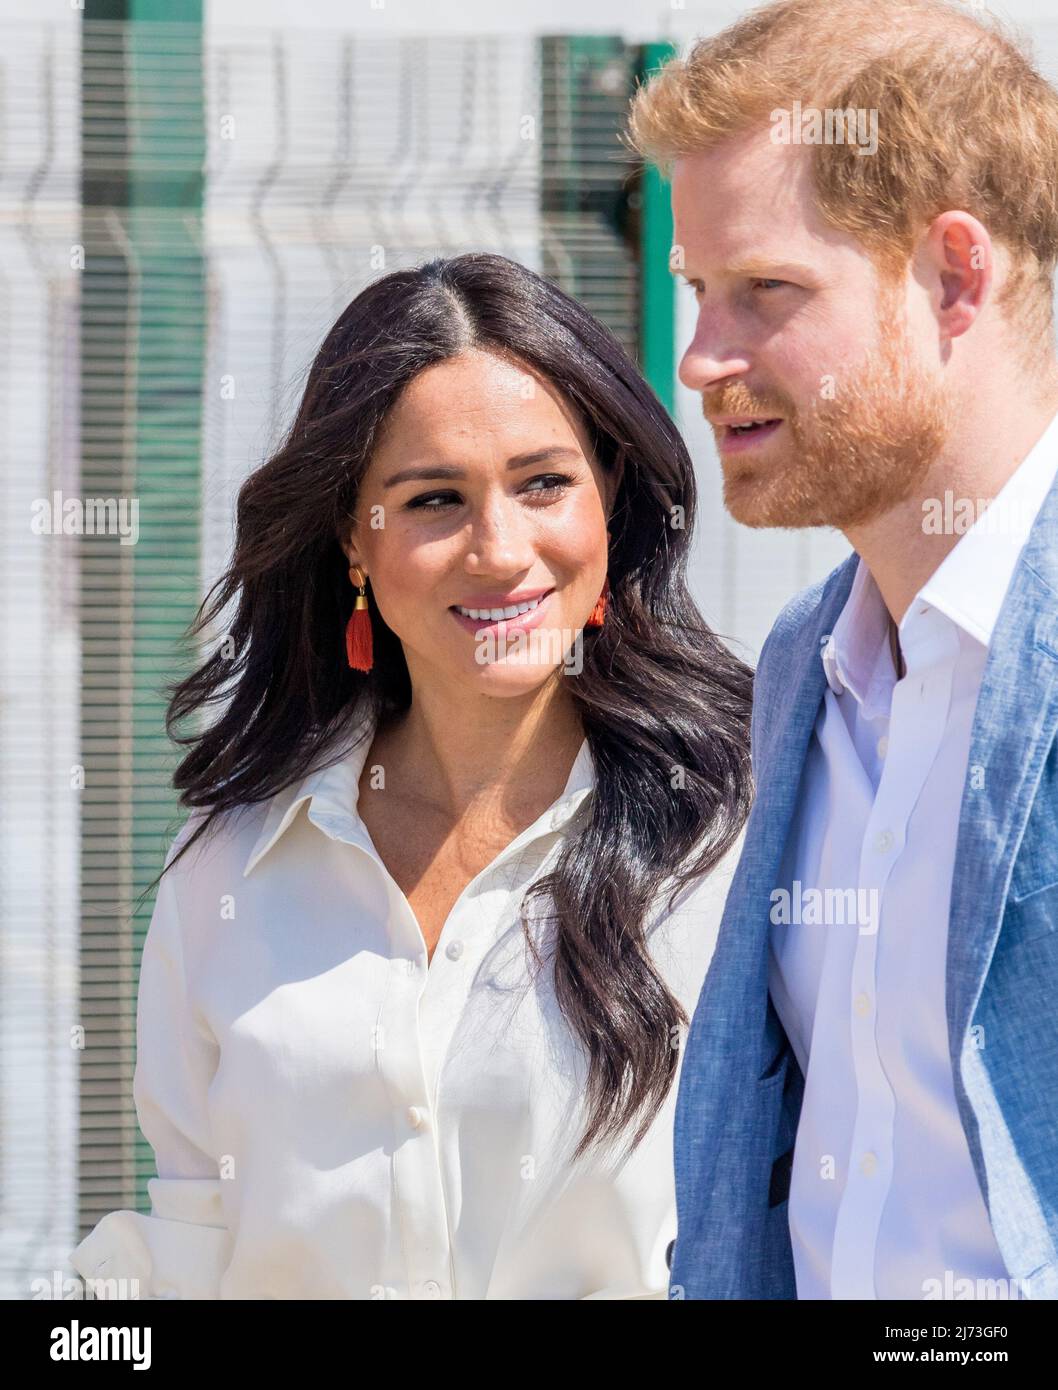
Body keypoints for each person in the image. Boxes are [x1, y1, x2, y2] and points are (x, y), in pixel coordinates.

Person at [68, 252, 753, 1300]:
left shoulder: (731, 840)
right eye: (434, 499)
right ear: (354, 533)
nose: (498, 549)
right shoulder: (230, 860)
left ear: (608, 502)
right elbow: (190, 1244)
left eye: (543, 484)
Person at [629, 0, 1058, 1299]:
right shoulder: (803, 663)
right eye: (696, 292)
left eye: (764, 290)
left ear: (953, 276)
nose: (701, 358)